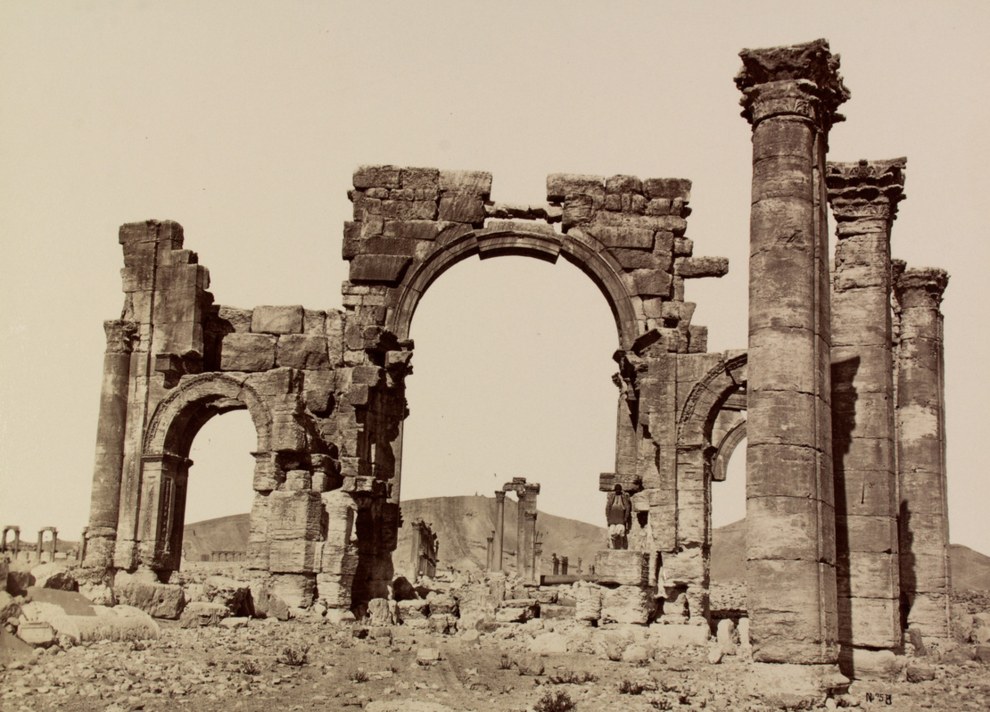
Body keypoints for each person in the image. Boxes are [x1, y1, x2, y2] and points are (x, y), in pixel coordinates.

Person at [605, 483, 631, 549]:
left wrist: (625, 518)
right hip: (612, 520)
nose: (617, 491)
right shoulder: (612, 497)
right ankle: (613, 547)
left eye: (619, 490)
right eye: (616, 490)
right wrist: (608, 519)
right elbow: (607, 508)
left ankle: (622, 546)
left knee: (621, 532)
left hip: (621, 519)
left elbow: (627, 507)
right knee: (612, 533)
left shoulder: (623, 497)